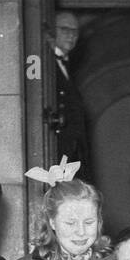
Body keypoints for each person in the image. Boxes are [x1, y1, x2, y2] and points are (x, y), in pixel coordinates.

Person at [52, 12, 93, 183]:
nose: (71, 35)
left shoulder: (66, 66)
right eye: (65, 29)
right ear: (51, 32)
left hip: (71, 159)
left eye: (75, 31)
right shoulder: (47, 66)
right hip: (56, 156)